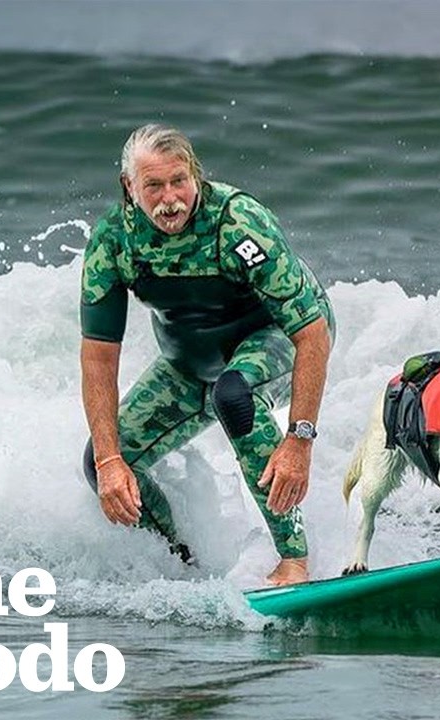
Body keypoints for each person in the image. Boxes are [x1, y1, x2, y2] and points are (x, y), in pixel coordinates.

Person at [80, 124, 333, 586]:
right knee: (104, 464)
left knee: (233, 393)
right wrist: (109, 461)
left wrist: (299, 440)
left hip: (275, 338)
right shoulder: (114, 242)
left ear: (196, 176)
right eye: (153, 186)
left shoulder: (237, 222)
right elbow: (98, 358)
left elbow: (312, 333)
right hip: (191, 364)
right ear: (128, 188)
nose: (169, 198)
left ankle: (295, 561)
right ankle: (186, 565)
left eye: (179, 181)